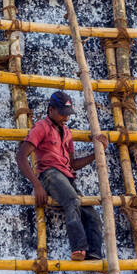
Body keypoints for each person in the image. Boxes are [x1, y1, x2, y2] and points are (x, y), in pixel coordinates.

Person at [15, 91, 108, 262]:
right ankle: (78, 247)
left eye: (68, 114)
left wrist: (96, 153)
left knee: (91, 213)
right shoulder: (41, 127)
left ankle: (94, 254)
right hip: (49, 174)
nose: (66, 118)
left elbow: (72, 165)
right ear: (51, 110)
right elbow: (21, 156)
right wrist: (37, 185)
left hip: (67, 178)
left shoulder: (67, 133)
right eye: (63, 114)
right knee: (73, 201)